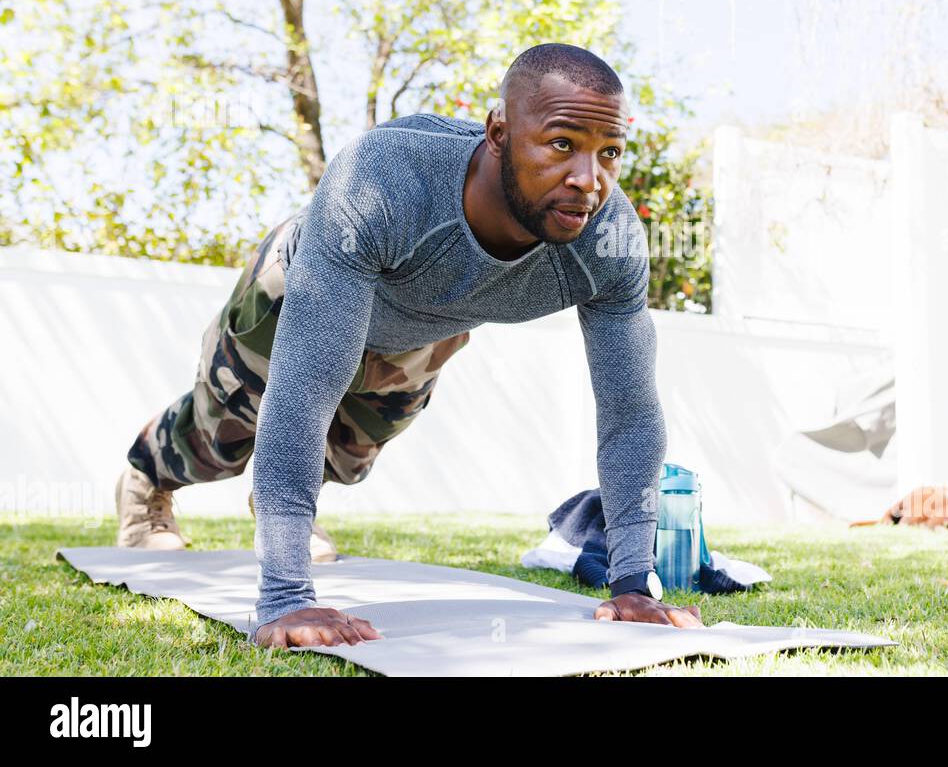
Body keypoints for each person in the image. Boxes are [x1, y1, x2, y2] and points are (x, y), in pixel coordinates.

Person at [117, 43, 703, 649]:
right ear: (498, 132)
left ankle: (287, 511)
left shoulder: (610, 242)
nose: (588, 179)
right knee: (227, 428)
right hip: (299, 287)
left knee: (347, 459)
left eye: (609, 153)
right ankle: (147, 482)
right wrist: (287, 596)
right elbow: (305, 390)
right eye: (561, 144)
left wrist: (633, 580)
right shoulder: (384, 178)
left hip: (419, 329)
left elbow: (630, 413)